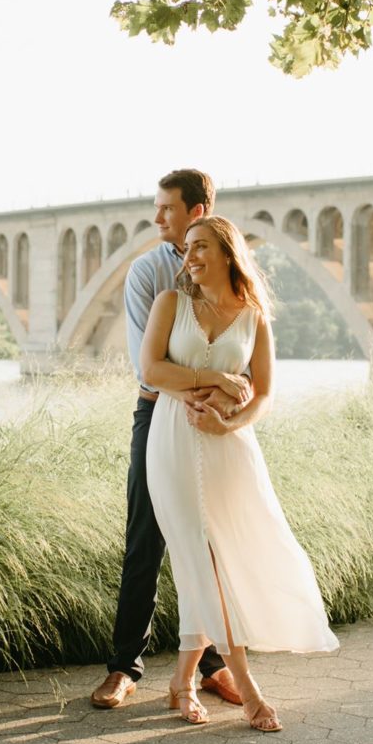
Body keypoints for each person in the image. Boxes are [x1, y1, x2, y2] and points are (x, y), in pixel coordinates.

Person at [139, 214, 338, 731]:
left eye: (201, 246)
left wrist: (232, 424)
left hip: (229, 445)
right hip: (174, 441)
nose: (191, 257)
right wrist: (217, 377)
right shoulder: (171, 303)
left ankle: (182, 681)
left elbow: (265, 393)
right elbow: (152, 371)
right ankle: (248, 689)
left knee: (214, 560)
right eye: (186, 249)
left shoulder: (254, 315)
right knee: (198, 556)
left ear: (229, 253)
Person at [90, 170, 246, 711]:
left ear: (196, 212)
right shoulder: (147, 274)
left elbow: (245, 364)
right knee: (146, 539)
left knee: (208, 541)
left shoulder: (232, 274)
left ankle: (211, 664)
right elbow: (149, 371)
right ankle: (124, 668)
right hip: (157, 418)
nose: (157, 219)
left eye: (166, 209)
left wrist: (228, 391)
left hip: (211, 423)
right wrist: (219, 383)